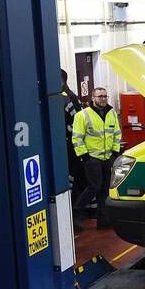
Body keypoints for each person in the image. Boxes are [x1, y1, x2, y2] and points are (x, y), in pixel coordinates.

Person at [71, 86, 122, 230]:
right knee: (94, 187)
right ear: (93, 98)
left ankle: (103, 220)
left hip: (108, 157)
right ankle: (75, 215)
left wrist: (114, 152)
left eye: (105, 96)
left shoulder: (111, 113)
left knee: (105, 189)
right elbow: (77, 138)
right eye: (100, 96)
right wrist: (85, 157)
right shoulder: (82, 115)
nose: (103, 99)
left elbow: (117, 133)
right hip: (92, 159)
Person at [60, 70, 85, 231]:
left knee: (71, 182)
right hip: (66, 147)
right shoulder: (60, 98)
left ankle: (73, 217)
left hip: (71, 148)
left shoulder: (68, 99)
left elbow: (79, 122)